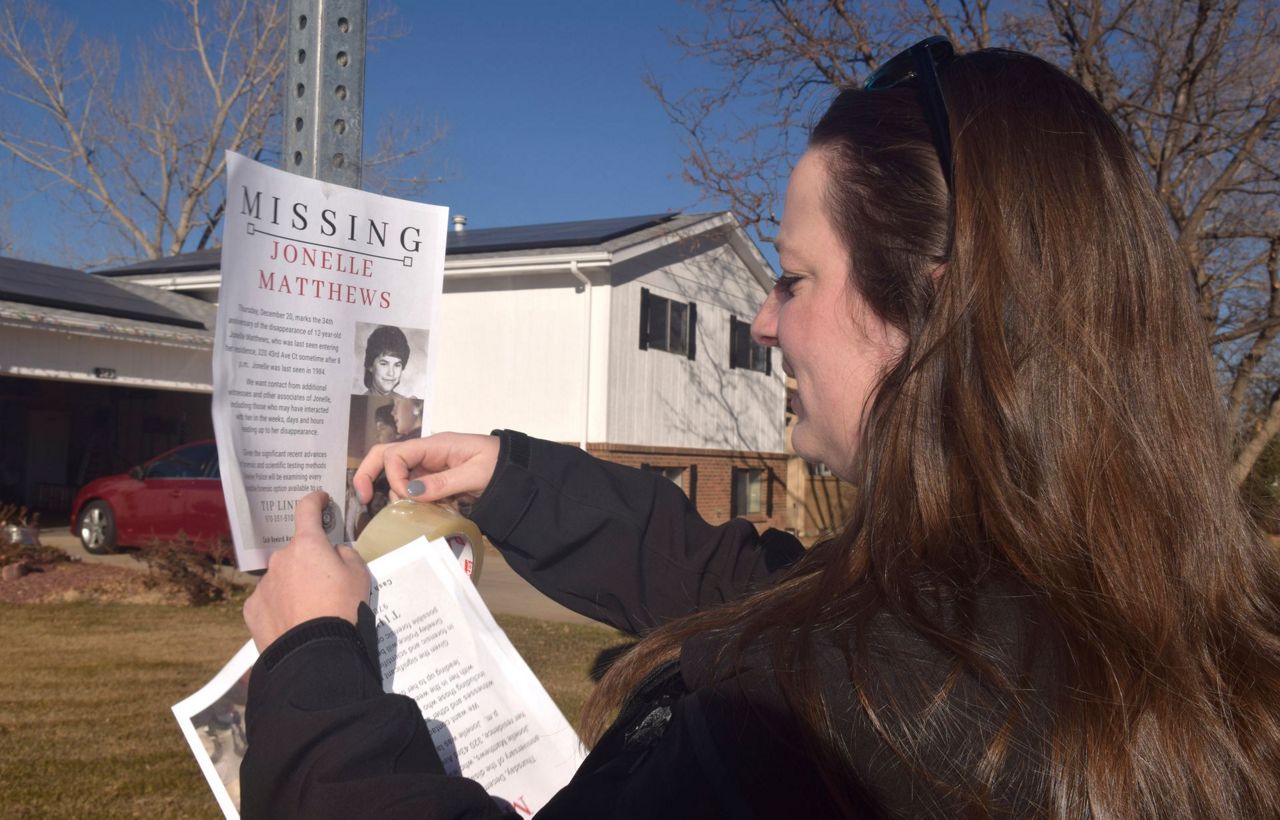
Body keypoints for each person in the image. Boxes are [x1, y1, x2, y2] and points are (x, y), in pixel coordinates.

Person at [241, 41, 1280, 818]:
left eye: (793, 278)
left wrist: (311, 672)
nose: (762, 320)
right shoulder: (1141, 639)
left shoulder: (827, 724)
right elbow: (754, 582)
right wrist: (511, 477)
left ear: (933, 309)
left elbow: (798, 635)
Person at [361, 324, 414, 398]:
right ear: (370, 366)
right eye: (384, 364)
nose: (391, 373)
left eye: (397, 365)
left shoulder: (407, 401)